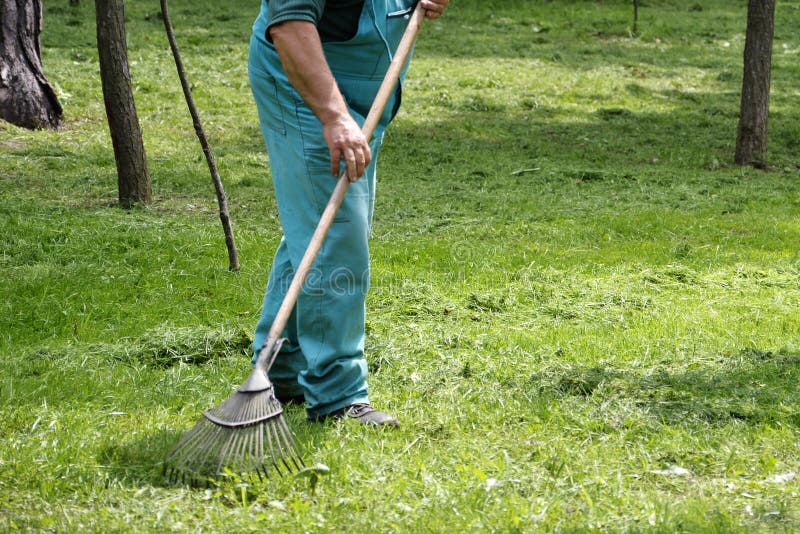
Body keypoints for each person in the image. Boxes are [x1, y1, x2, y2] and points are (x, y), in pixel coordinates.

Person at [248, 0, 449, 426]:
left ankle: (282, 368)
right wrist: (334, 116)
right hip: (304, 82)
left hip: (366, 87)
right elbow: (289, 26)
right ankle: (336, 395)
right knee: (338, 235)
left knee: (318, 226)